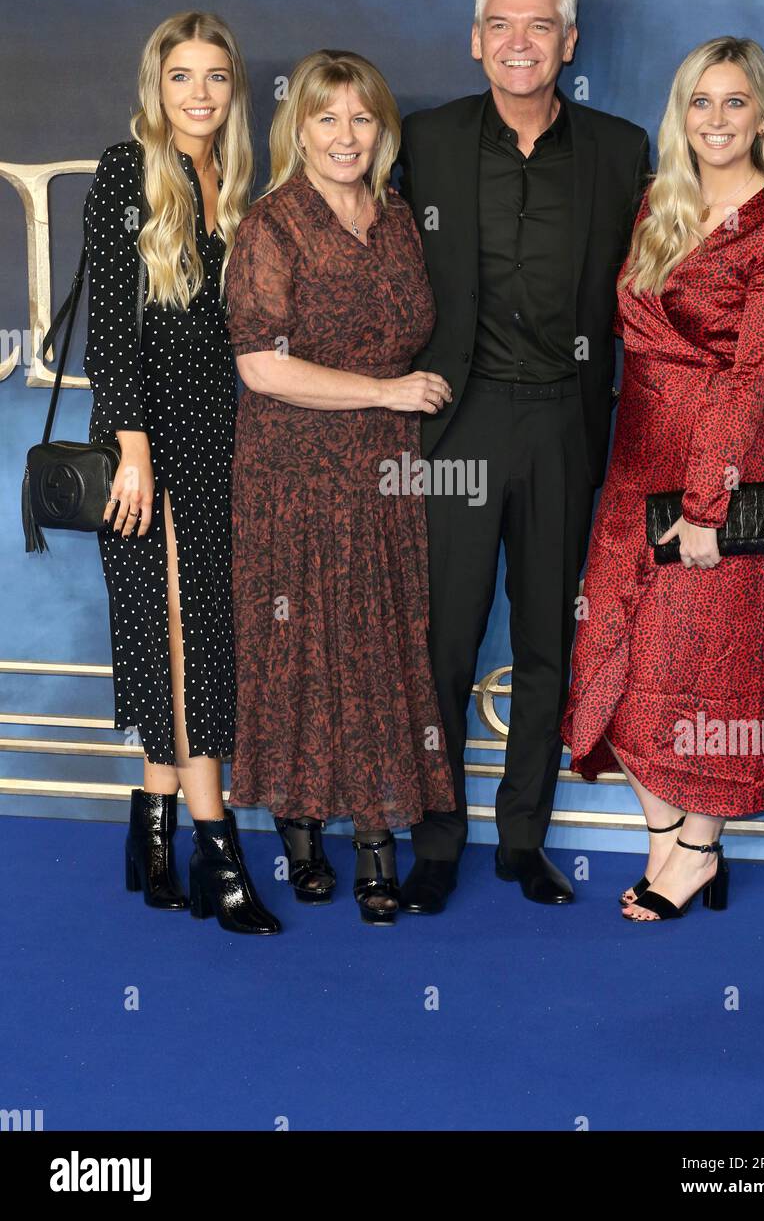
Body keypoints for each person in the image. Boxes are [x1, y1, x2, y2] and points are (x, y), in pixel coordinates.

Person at [397, 0, 650, 912]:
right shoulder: (424, 140)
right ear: (475, 40)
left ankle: (522, 842)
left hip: (564, 423)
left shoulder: (623, 152)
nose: (519, 41)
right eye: (501, 24)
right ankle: (434, 841)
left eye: (538, 25)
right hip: (457, 425)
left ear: (568, 43)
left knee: (549, 640)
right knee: (443, 645)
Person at [560, 36, 764, 923]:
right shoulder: (658, 206)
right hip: (638, 463)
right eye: (700, 102)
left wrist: (709, 507)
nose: (715, 120)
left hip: (722, 468)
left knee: (706, 669)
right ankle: (667, 838)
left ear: (762, 115)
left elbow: (749, 379)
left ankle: (699, 851)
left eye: (734, 102)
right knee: (616, 659)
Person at [224, 49, 455, 926]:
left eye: (361, 118)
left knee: (378, 645)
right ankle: (301, 832)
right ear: (299, 129)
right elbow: (260, 366)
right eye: (326, 118)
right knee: (302, 641)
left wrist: (393, 404)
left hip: (385, 473)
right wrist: (385, 391)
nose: (346, 136)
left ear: (382, 129)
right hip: (296, 467)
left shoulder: (398, 217)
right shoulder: (273, 225)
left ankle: (374, 839)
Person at [84, 11, 280, 934]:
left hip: (225, 435)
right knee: (188, 634)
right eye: (180, 78)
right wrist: (131, 447)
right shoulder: (129, 172)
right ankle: (219, 853)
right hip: (151, 438)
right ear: (154, 89)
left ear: (232, 88)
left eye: (213, 77)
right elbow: (114, 332)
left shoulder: (240, 179)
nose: (198, 95)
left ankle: (150, 834)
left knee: (192, 631)